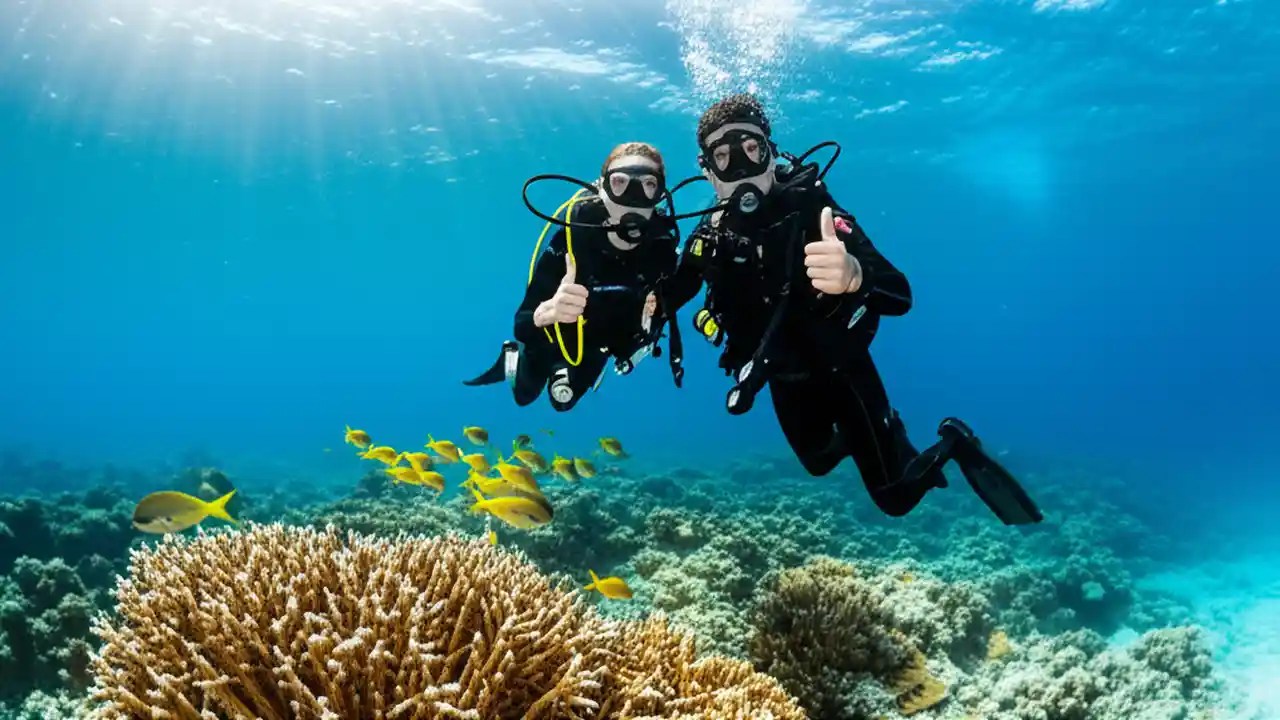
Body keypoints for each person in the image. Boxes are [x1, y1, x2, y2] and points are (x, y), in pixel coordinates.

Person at [665, 94, 1041, 525]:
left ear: (771, 155)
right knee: (818, 463)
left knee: (894, 499)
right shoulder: (708, 234)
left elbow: (900, 294)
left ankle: (951, 441)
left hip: (842, 368)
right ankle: (885, 437)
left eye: (752, 150)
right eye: (725, 157)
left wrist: (854, 274)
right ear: (707, 171)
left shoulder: (813, 210)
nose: (742, 170)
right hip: (781, 374)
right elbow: (671, 293)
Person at [465, 142, 684, 411]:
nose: (634, 197)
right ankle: (512, 360)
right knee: (524, 395)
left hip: (599, 346)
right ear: (602, 189)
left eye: (649, 184)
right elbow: (522, 323)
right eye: (620, 183)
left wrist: (656, 311)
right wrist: (546, 313)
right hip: (552, 337)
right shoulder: (573, 239)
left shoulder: (663, 247)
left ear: (661, 194)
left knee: (563, 404)